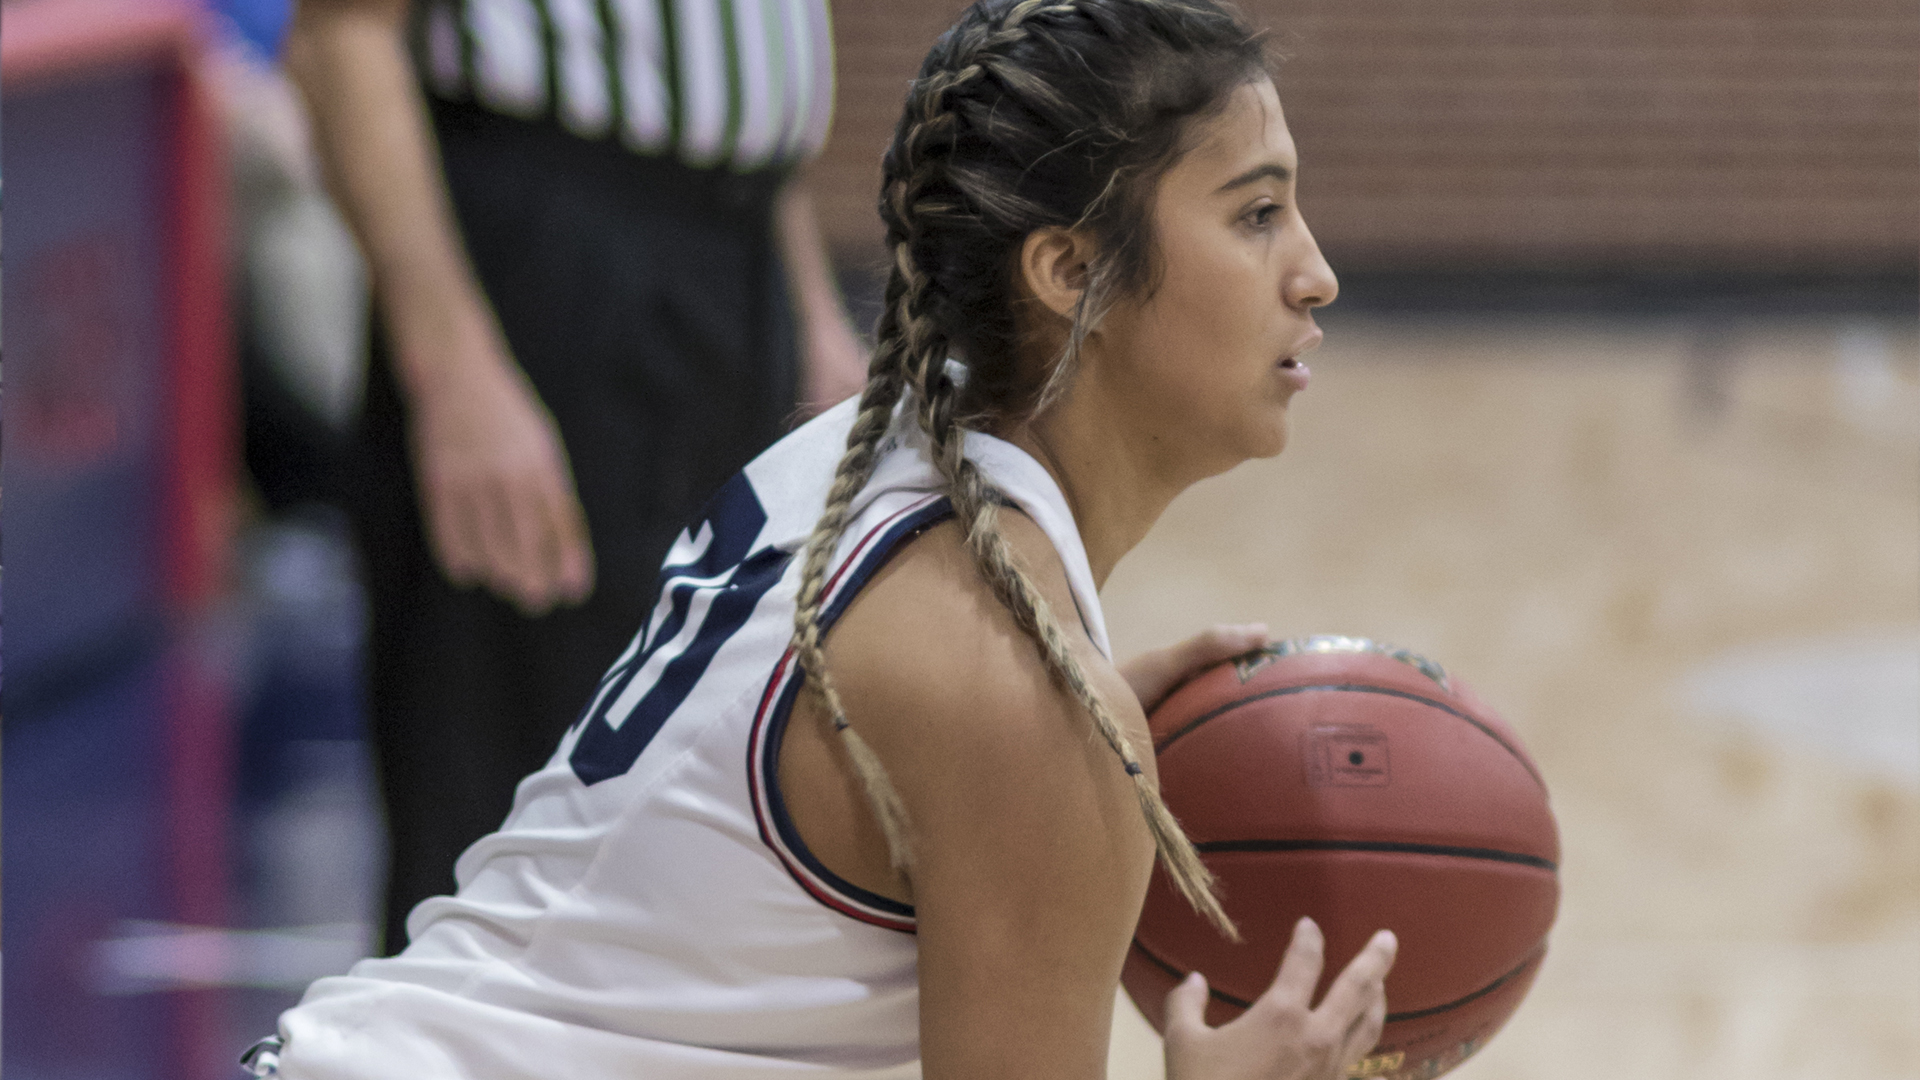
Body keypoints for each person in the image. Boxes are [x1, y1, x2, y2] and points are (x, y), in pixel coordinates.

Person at [249, 0, 1398, 1076]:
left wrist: (1048, 767)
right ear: (1069, 269)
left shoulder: (869, 456)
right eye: (1256, 214)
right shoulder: (1012, 697)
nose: (1318, 273)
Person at [283, 0, 868, 952]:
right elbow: (341, 37)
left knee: (704, 794)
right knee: (511, 815)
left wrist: (802, 306)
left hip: (737, 249)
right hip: (546, 260)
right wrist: (452, 367)